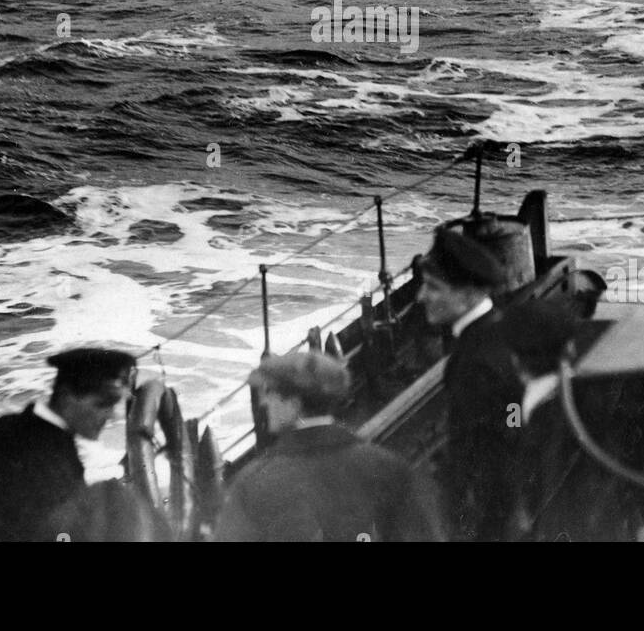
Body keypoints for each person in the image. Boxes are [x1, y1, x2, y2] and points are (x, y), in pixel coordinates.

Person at [213, 351, 443, 541]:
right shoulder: (386, 466)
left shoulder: (254, 482)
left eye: (270, 394)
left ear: (294, 405)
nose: (263, 402)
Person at [413, 228, 525, 541]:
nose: (421, 297)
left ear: (468, 294)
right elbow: (513, 411)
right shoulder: (499, 332)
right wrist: (513, 422)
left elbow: (479, 451)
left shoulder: (476, 361)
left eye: (433, 287)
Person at [0, 348, 137, 542]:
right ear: (66, 396)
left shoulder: (7, 426)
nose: (112, 415)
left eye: (113, 405)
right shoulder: (49, 455)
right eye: (102, 404)